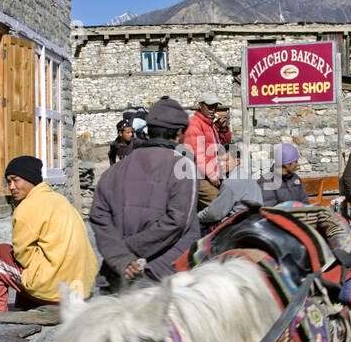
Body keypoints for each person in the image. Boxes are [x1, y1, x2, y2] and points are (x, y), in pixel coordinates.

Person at [90, 96, 199, 292]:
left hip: (117, 275)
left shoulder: (114, 170)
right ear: (180, 132)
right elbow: (177, 221)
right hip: (162, 279)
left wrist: (120, 256)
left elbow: (99, 217)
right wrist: (128, 250)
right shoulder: (182, 167)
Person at [0, 156, 98, 313]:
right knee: (37, 258)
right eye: (8, 182)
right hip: (80, 290)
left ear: (30, 178)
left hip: (54, 293)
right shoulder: (61, 200)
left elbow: (22, 256)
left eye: (15, 180)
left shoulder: (27, 207)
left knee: (0, 253)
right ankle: (27, 306)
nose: (11, 187)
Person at [198, 148, 263, 228]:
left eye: (226, 160)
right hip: (253, 222)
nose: (221, 164)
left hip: (236, 226)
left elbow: (215, 213)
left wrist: (197, 217)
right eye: (219, 160)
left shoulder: (231, 182)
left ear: (237, 161)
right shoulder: (247, 176)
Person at [185, 98, 230, 209]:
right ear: (200, 105)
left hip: (210, 174)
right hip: (198, 175)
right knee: (219, 204)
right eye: (209, 106)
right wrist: (211, 175)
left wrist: (223, 128)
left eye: (215, 106)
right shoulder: (194, 124)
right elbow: (196, 152)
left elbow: (223, 146)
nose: (213, 110)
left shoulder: (211, 125)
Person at [258, 142, 309, 206]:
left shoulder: (295, 179)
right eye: (295, 161)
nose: (297, 164)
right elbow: (269, 209)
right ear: (286, 164)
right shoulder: (267, 181)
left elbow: (305, 202)